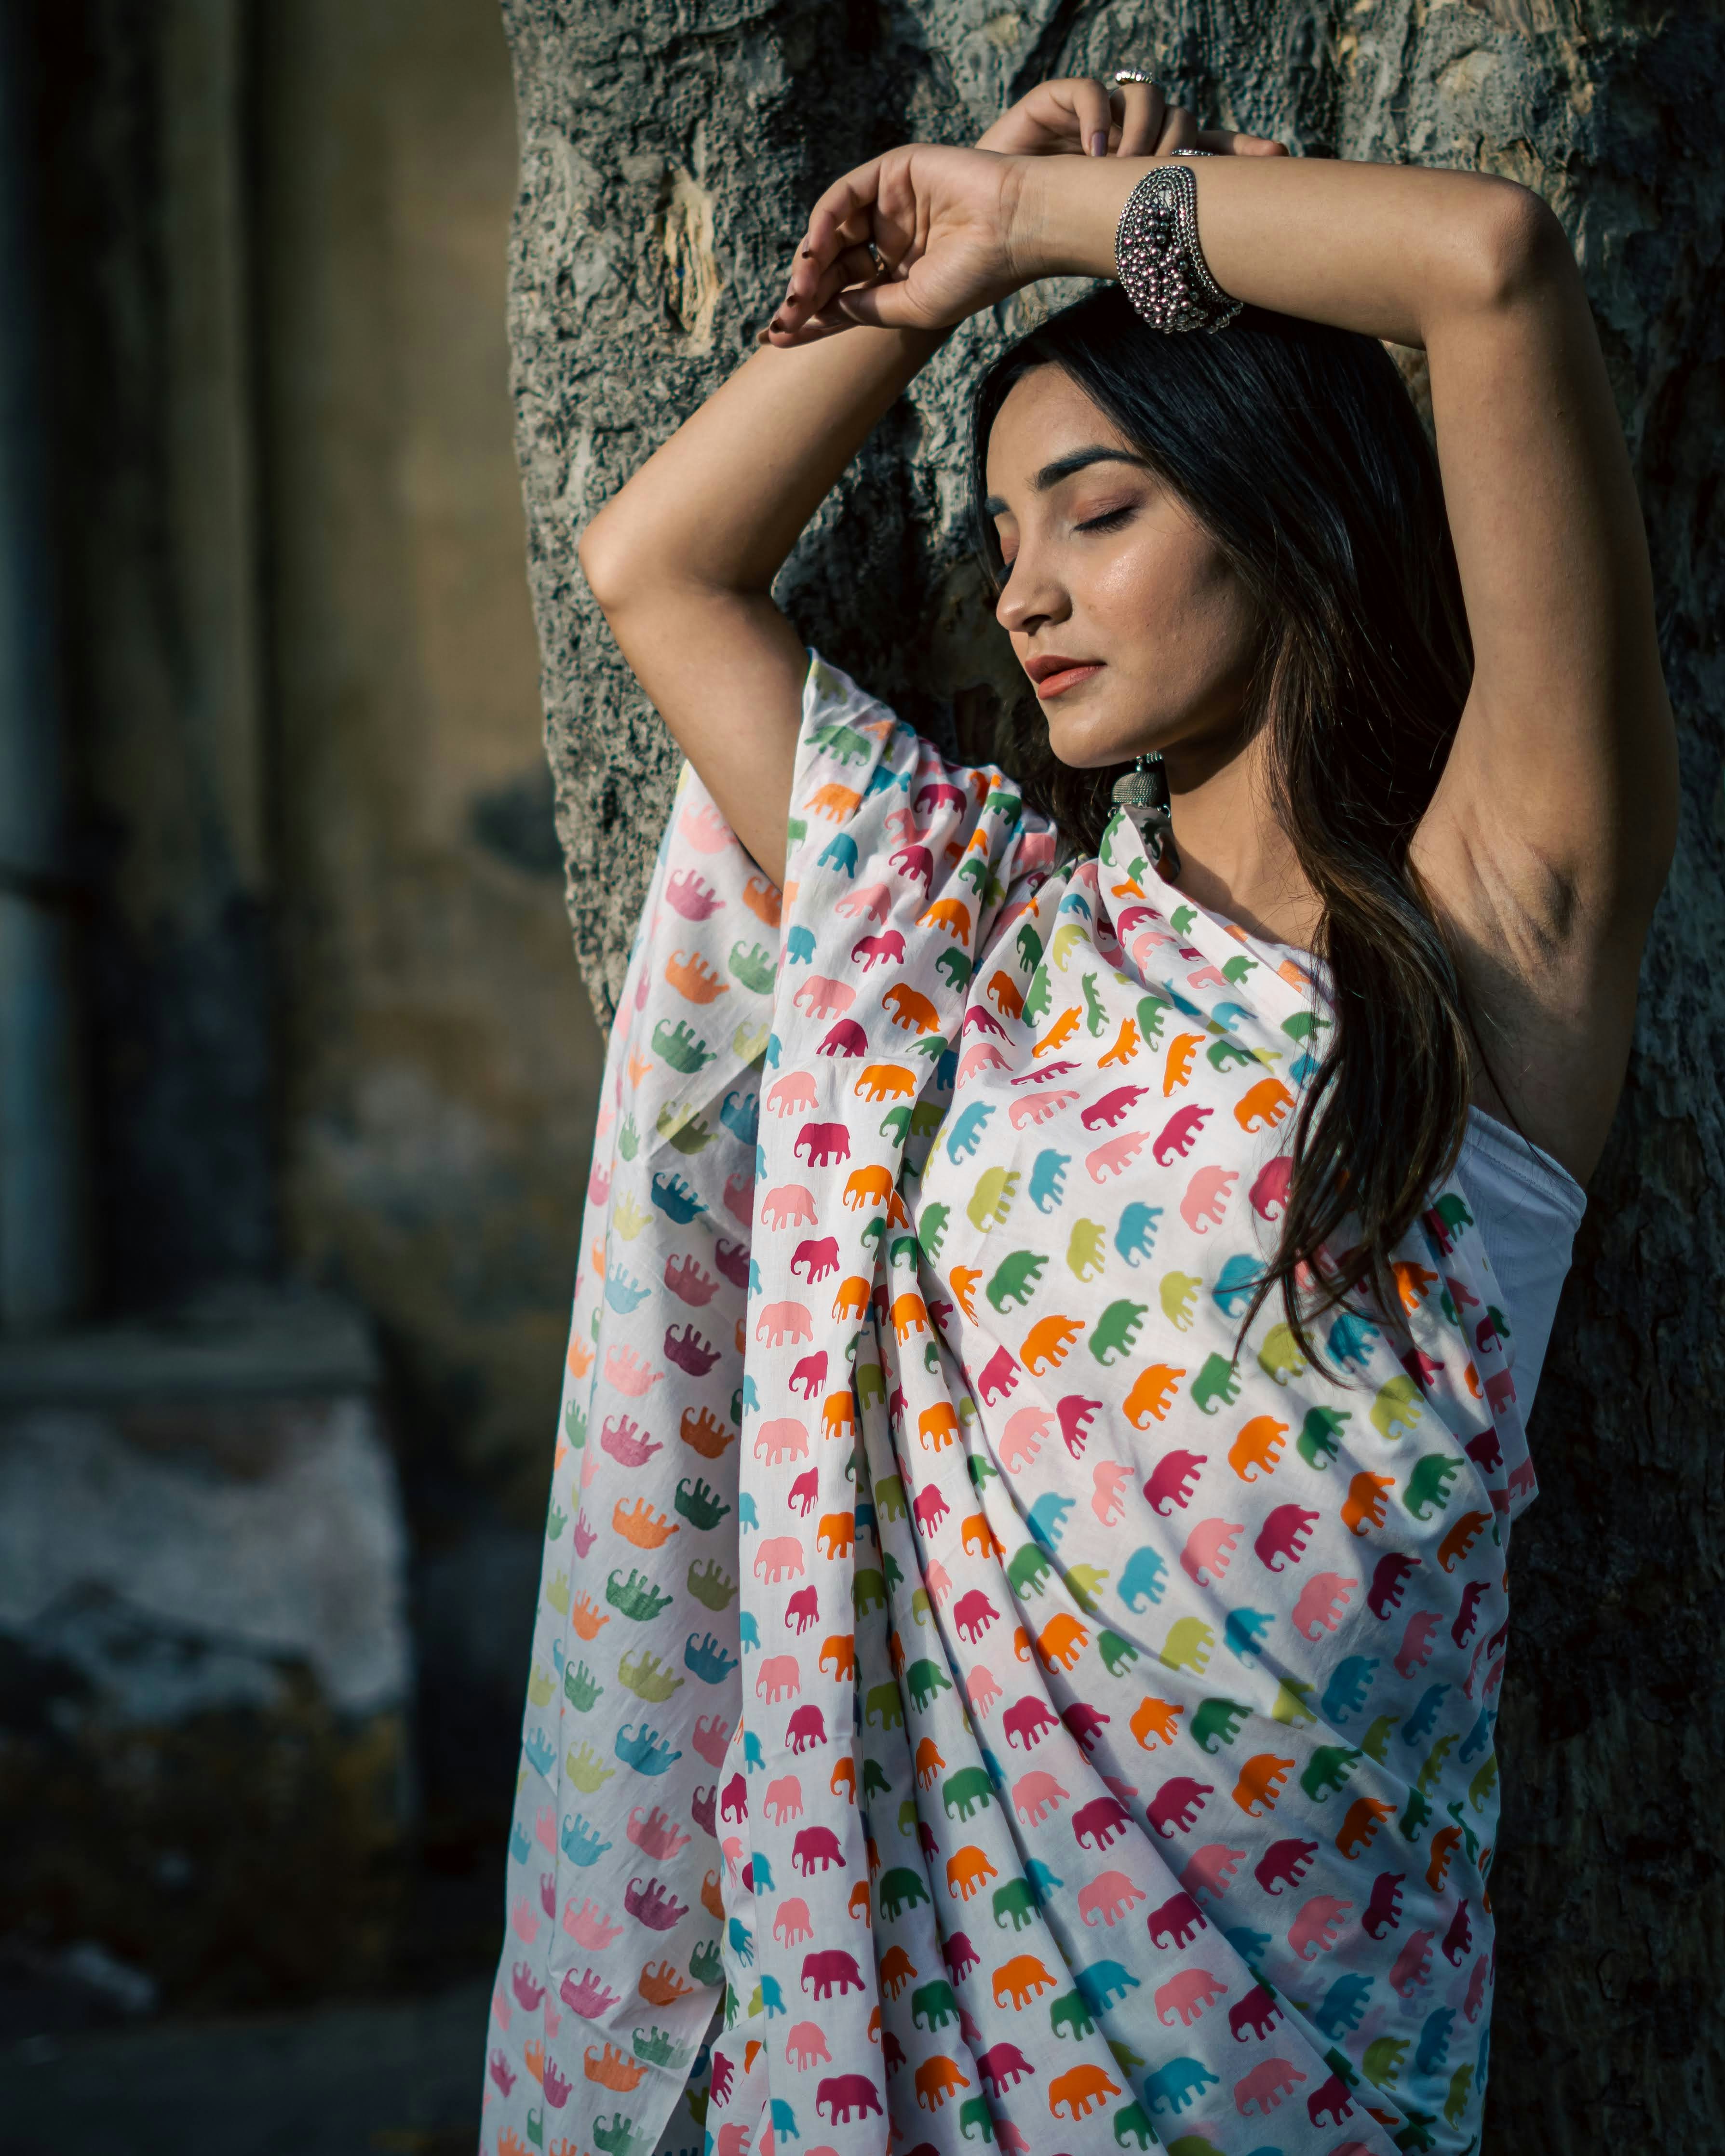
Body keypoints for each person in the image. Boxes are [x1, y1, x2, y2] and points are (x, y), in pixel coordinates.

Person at [481, 77, 1675, 2156]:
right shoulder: (973, 939)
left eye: (1098, 511)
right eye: (1003, 532)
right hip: (925, 2071)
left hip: (1297, 2068)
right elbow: (656, 564)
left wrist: (1036, 217)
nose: (1025, 592)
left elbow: (1486, 268)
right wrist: (913, 304)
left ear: (1280, 511)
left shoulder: (1493, 936)